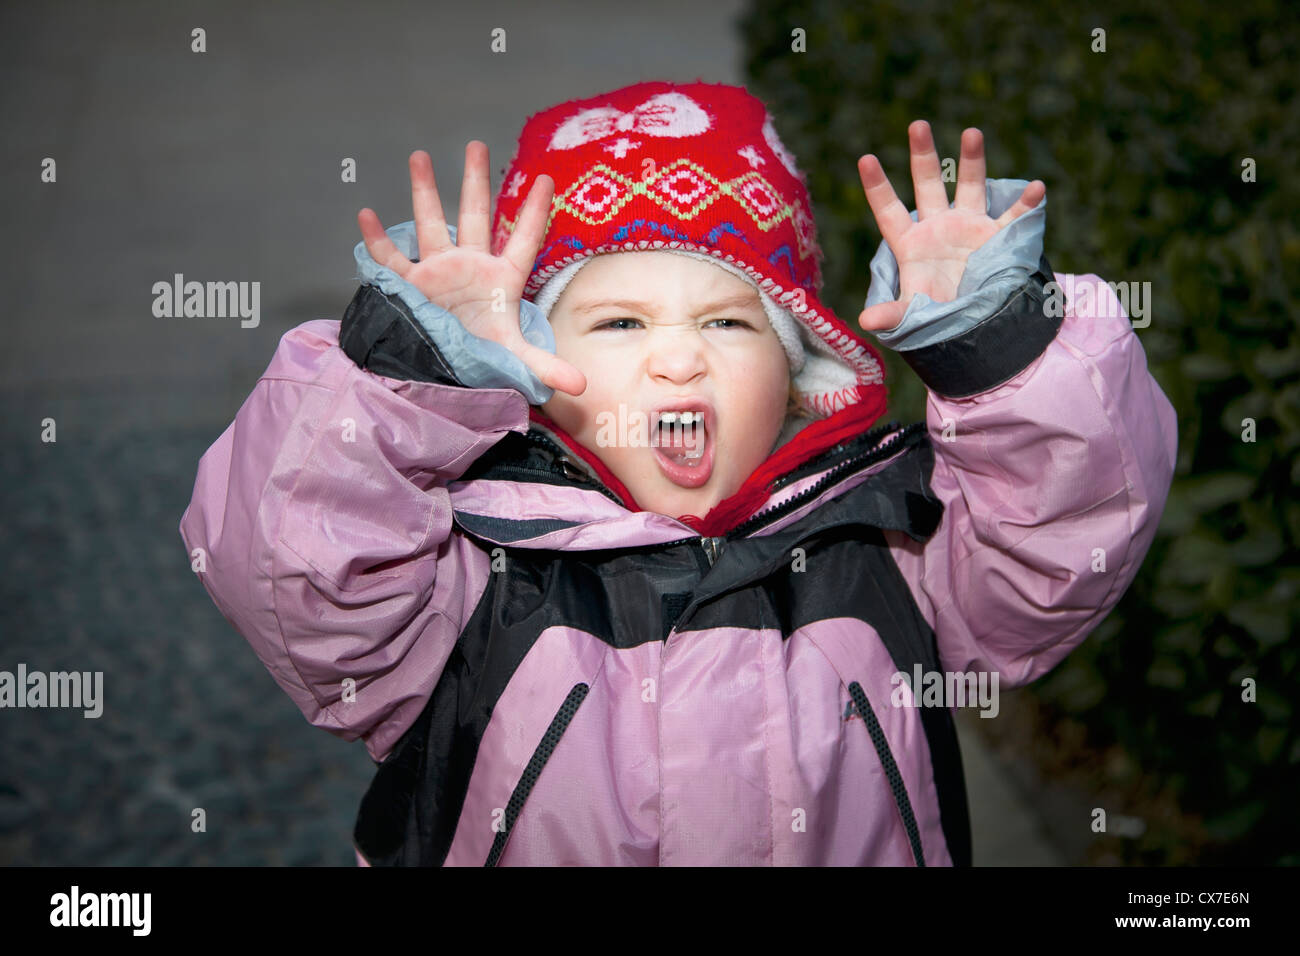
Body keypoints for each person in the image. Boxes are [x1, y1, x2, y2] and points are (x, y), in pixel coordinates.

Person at [178, 80, 1177, 866]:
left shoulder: (888, 546)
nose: (676, 357)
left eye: (727, 320)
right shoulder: (468, 564)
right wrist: (399, 379)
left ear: (797, 374)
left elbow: (1055, 549)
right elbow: (300, 579)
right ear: (524, 363)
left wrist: (997, 348)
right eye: (617, 322)